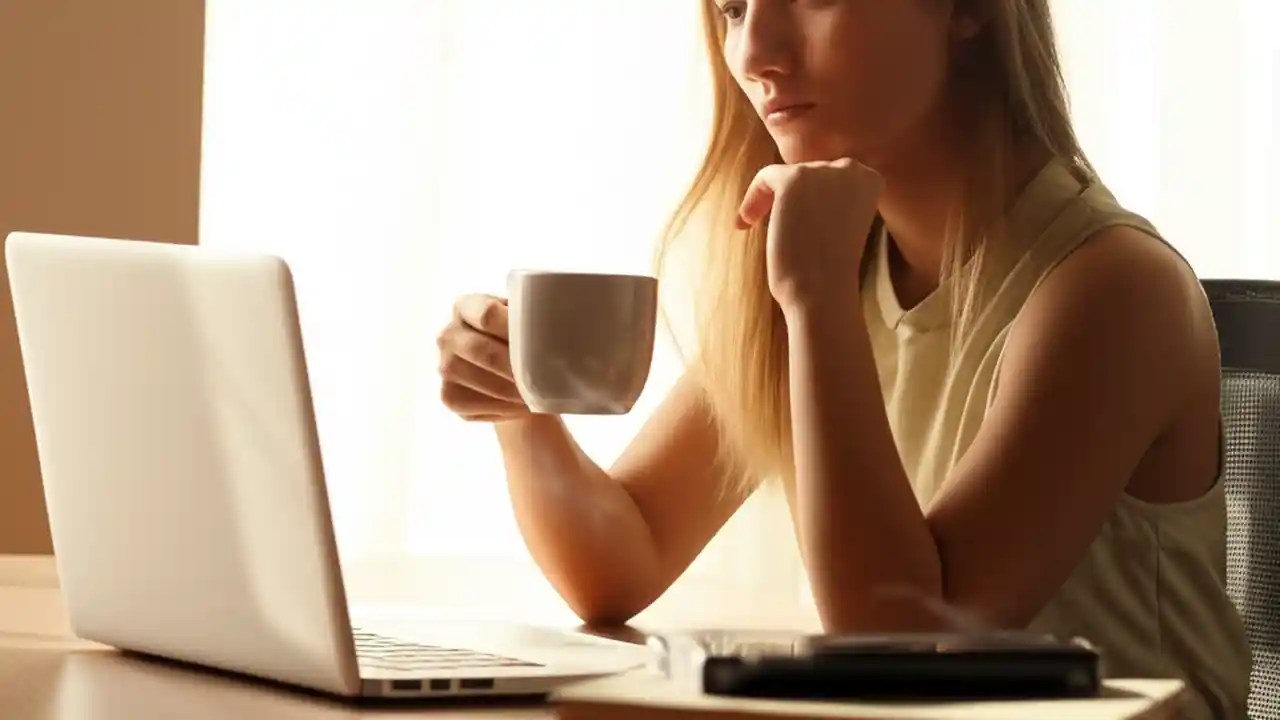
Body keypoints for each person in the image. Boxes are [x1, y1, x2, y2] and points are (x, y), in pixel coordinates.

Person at [435, 1, 1249, 717]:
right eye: (732, 9)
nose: (756, 54)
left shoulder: (1111, 289)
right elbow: (623, 559)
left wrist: (816, 301)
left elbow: (903, 647)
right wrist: (521, 410)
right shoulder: (840, 260)